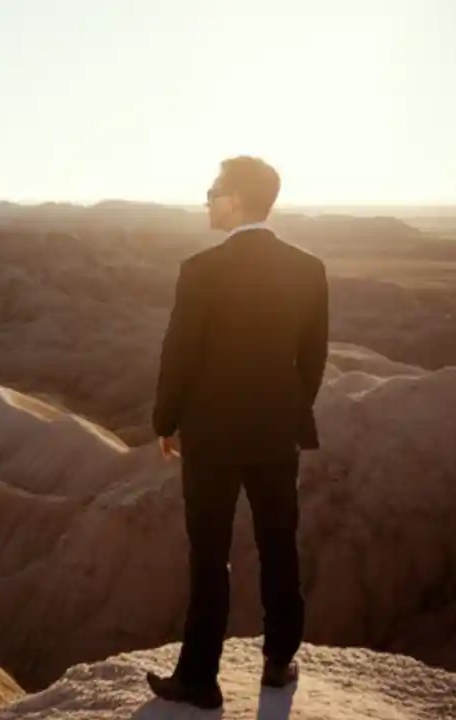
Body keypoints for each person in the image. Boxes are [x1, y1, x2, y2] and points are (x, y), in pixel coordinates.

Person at [146, 156, 329, 709]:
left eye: (213, 191)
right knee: (279, 543)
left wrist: (166, 421)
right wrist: (289, 411)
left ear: (238, 200)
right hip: (276, 434)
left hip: (212, 435)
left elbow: (178, 353)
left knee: (210, 553)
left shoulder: (201, 269)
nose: (206, 200)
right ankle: (278, 661)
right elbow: (313, 358)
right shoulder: (307, 267)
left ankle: (200, 678)